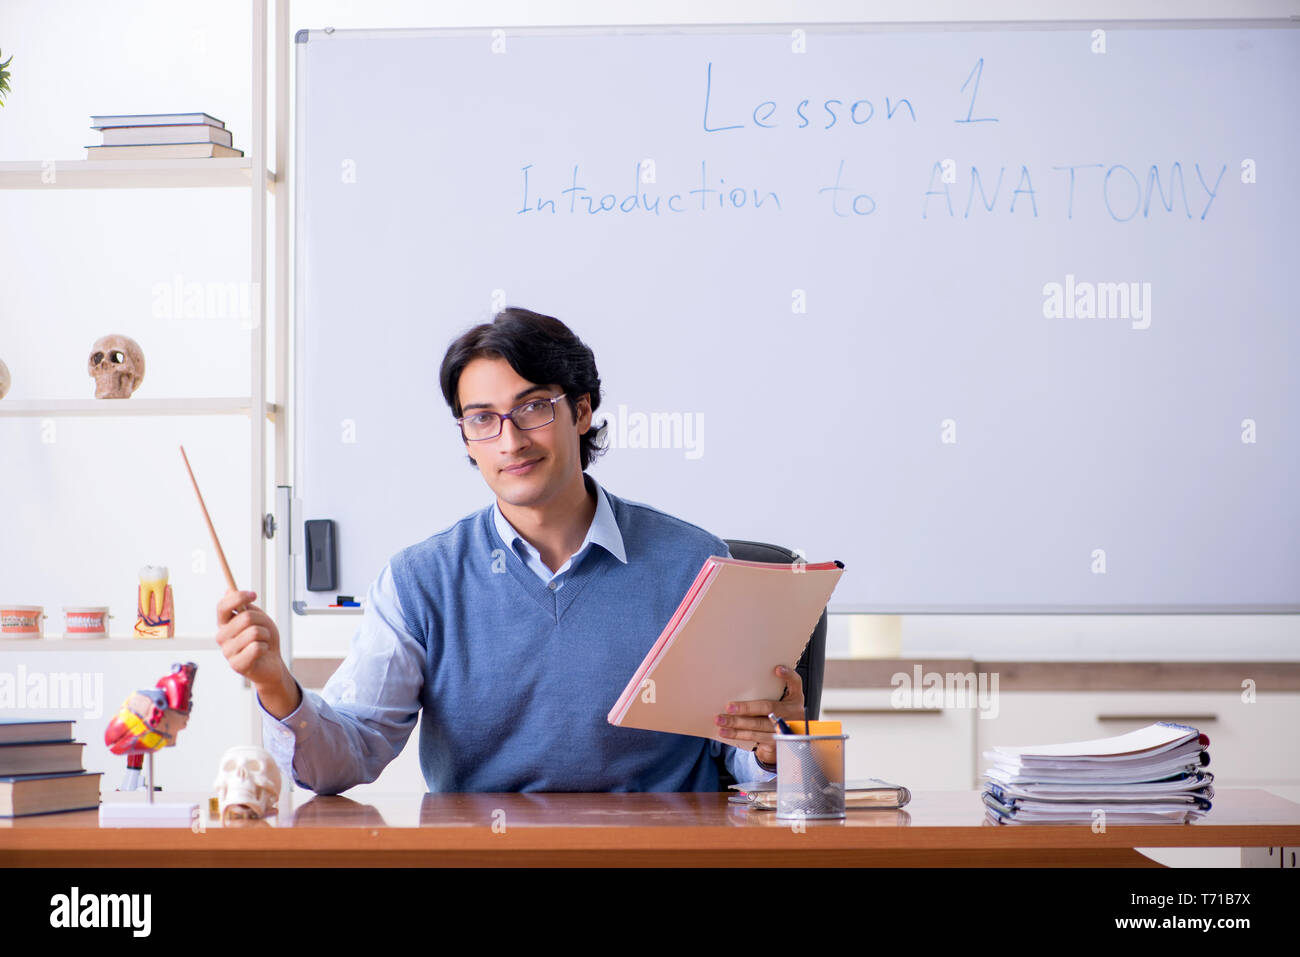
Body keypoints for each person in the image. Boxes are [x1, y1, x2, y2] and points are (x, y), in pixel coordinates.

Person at [215, 307, 808, 793]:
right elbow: (345, 758)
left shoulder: (693, 563)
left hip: (663, 858)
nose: (511, 440)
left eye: (532, 408)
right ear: (467, 439)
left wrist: (778, 746)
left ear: (580, 411)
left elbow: (745, 762)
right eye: (482, 419)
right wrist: (275, 684)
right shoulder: (420, 581)